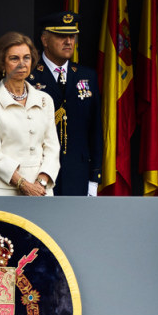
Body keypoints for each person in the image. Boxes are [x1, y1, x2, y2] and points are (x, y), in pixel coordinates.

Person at [28, 11, 102, 196]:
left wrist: (94, 178)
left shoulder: (87, 76)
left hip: (78, 173)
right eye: (61, 36)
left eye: (72, 36)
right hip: (38, 175)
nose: (69, 41)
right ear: (45, 40)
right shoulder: (30, 77)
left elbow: (95, 129)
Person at [0, 31, 59, 196]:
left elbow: (52, 148)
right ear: (2, 63)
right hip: (1, 190)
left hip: (41, 190)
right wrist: (23, 184)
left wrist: (41, 182)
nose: (22, 64)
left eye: (26, 58)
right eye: (14, 58)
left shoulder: (45, 99)